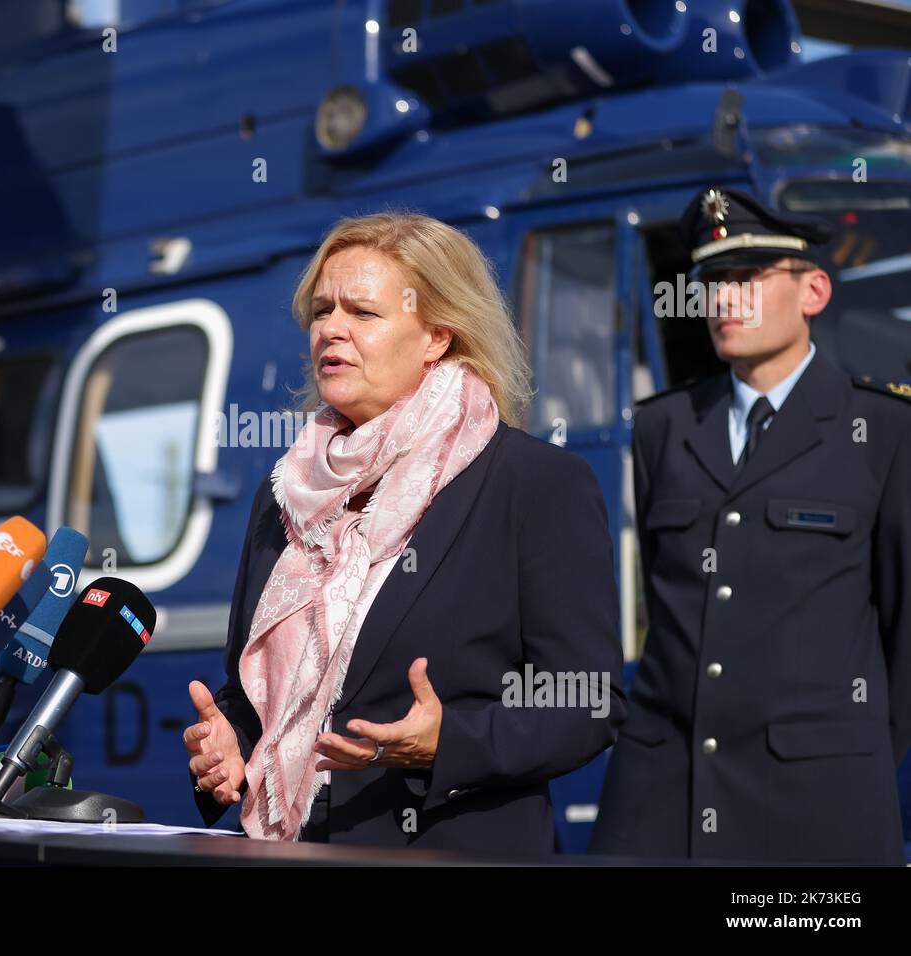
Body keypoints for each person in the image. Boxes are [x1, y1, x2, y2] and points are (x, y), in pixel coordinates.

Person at [181, 211, 625, 854]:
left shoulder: (533, 483)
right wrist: (231, 747)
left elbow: (588, 704)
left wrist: (449, 744)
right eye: (323, 309)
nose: (331, 328)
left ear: (437, 335)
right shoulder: (287, 491)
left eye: (363, 312)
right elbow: (255, 702)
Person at [590, 186, 911, 864]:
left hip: (814, 805)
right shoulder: (662, 427)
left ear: (814, 291)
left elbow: (903, 632)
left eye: (748, 279)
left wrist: (847, 751)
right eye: (711, 281)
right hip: (661, 799)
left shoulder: (883, 430)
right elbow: (671, 605)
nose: (723, 300)